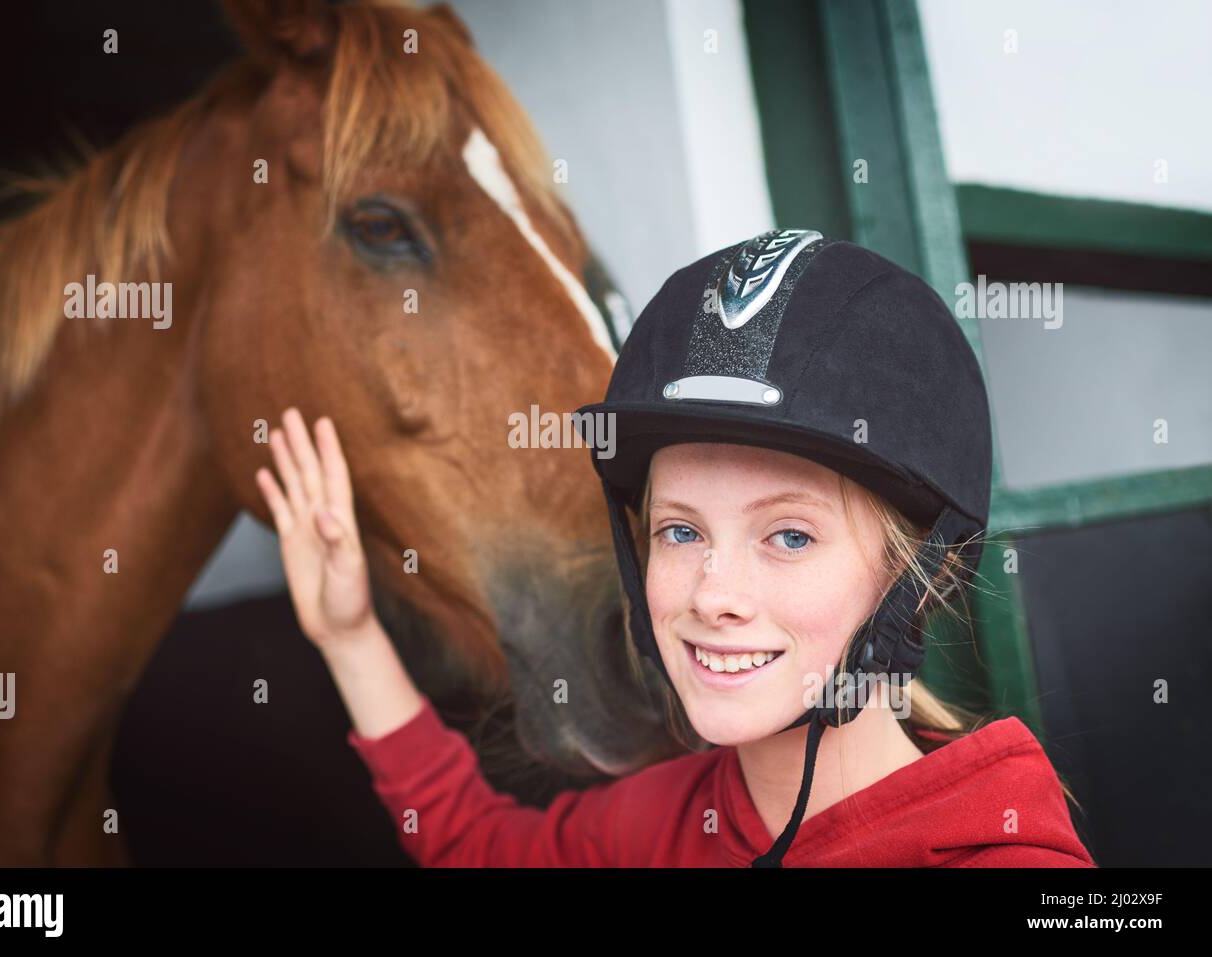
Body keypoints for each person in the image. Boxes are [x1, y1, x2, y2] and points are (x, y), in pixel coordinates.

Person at [255, 228, 1096, 867]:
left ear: (917, 577)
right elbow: (475, 842)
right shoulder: (665, 819)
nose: (711, 593)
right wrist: (350, 633)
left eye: (790, 535)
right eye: (681, 530)